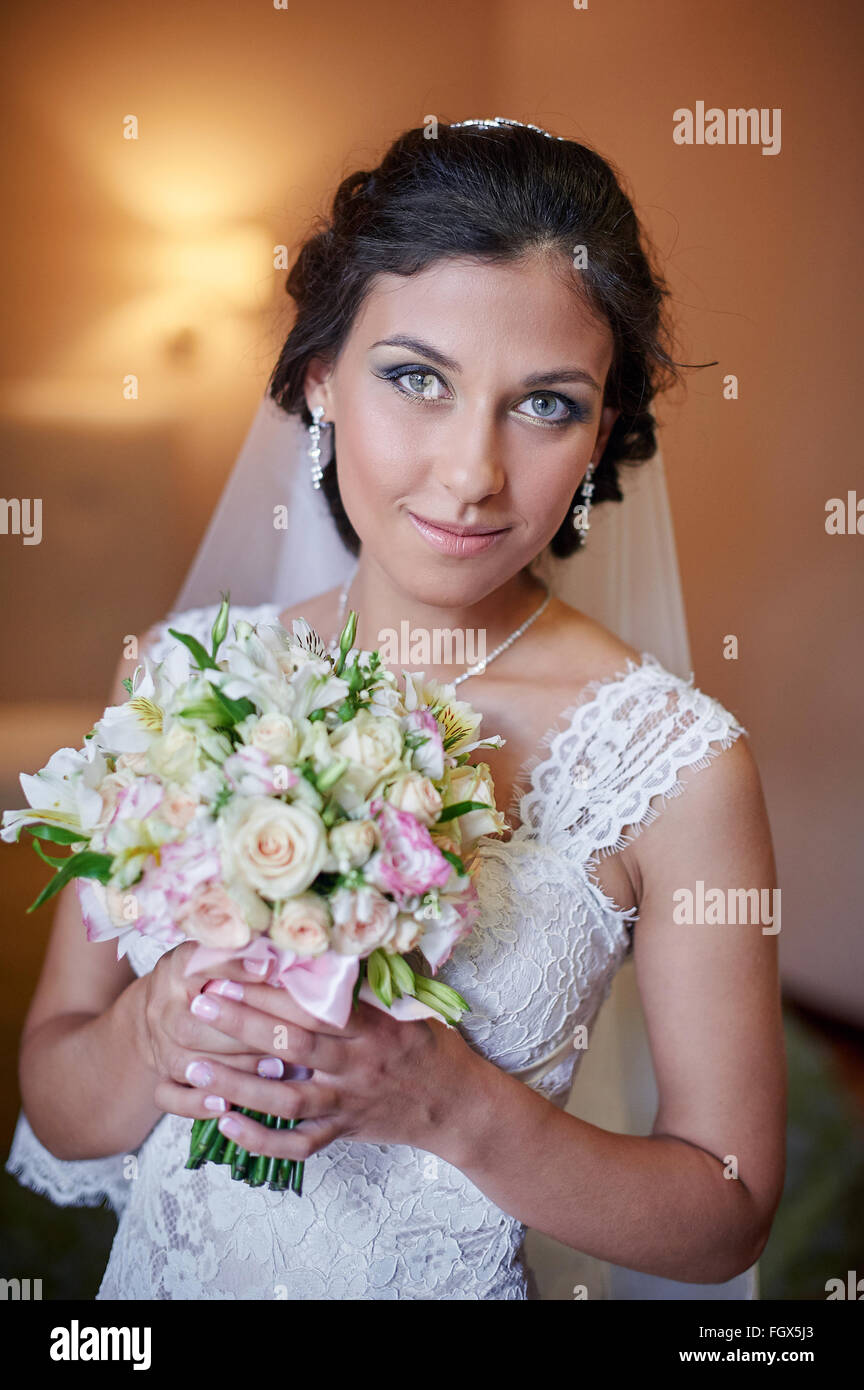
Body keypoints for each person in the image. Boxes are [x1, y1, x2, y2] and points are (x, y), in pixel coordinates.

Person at [6, 119, 785, 1300]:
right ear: (320, 380)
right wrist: (151, 1033)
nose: (472, 472)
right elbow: (62, 1106)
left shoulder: (675, 764)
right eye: (416, 378)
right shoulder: (180, 677)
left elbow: (725, 1215)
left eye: (546, 405)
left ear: (605, 435)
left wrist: (456, 1106)